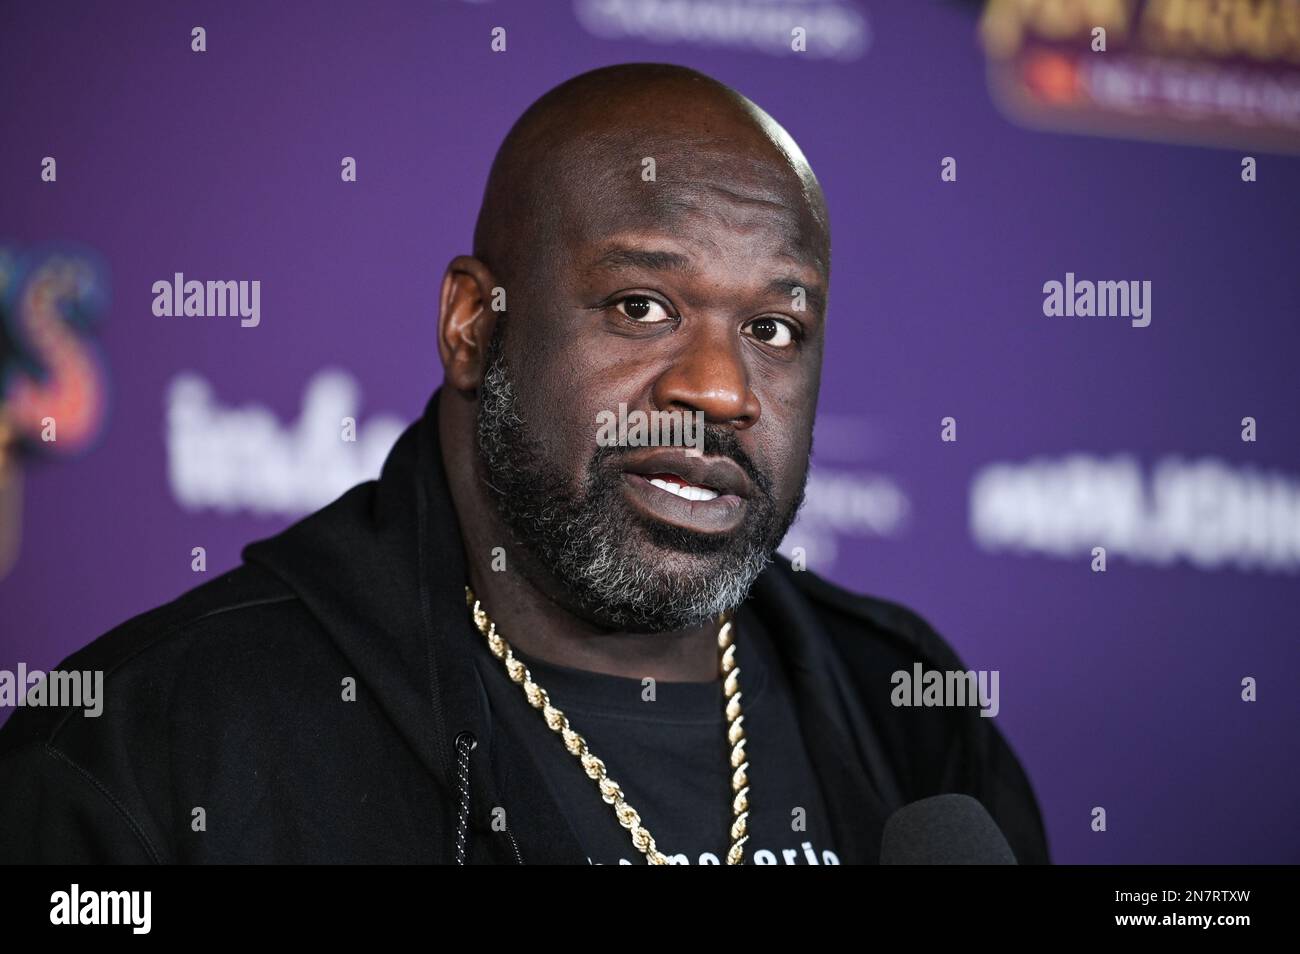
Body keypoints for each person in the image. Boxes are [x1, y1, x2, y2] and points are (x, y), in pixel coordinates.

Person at [0, 63, 1048, 865]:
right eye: (643, 307)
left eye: (775, 329)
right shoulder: (149, 741)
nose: (722, 392)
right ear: (471, 324)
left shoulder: (907, 711)